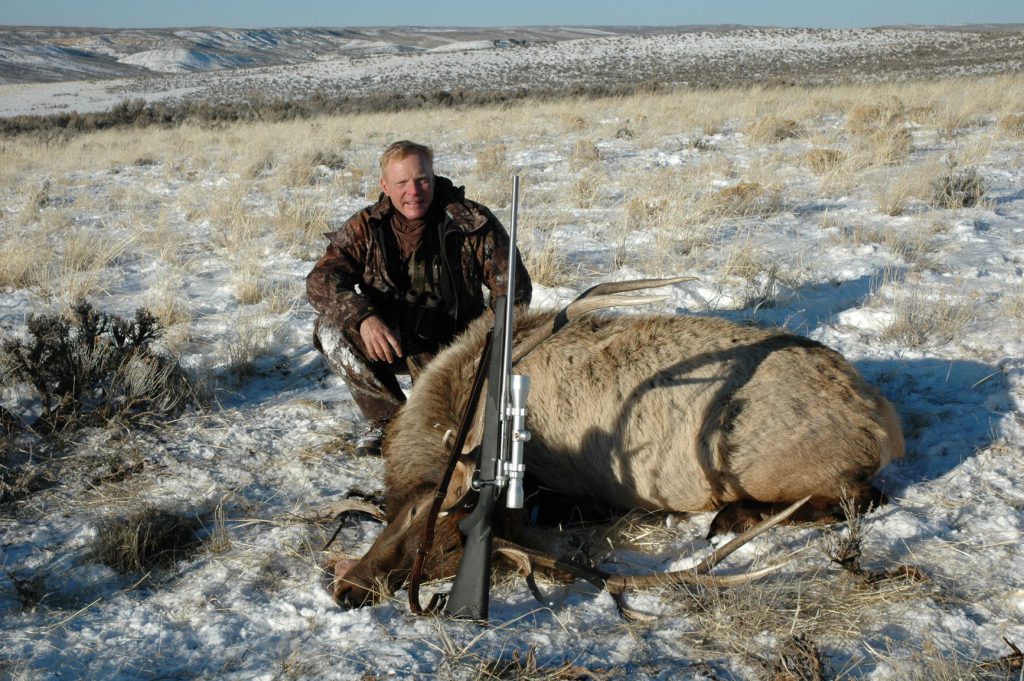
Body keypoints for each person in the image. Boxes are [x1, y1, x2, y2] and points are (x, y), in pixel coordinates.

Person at [306, 140, 532, 455]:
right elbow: (321, 279)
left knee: (454, 438)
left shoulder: (472, 222)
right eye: (401, 183)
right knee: (330, 328)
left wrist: (484, 346)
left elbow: (514, 293)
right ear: (385, 186)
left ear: (433, 176)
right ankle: (389, 423)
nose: (414, 191)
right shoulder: (366, 227)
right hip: (391, 342)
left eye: (421, 179)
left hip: (460, 348)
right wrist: (364, 317)